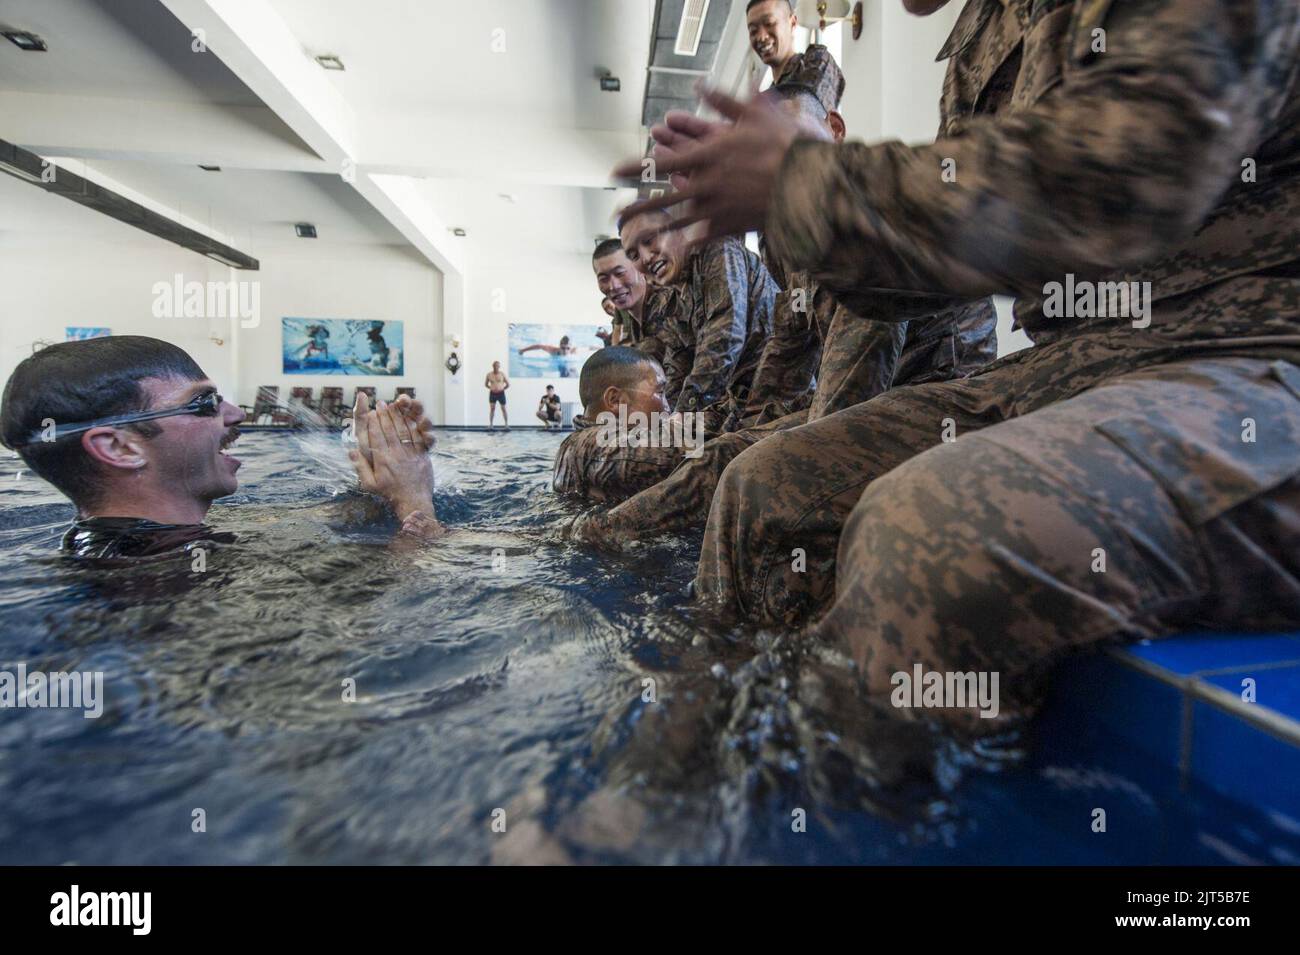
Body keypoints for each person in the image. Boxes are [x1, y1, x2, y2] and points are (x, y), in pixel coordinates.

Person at [615, 0, 1300, 724]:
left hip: (1249, 361)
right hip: (1072, 365)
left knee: (916, 532)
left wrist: (811, 183)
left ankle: (850, 812)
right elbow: (932, 279)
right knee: (762, 489)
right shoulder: (982, 32)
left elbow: (1121, 182)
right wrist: (791, 209)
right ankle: (683, 778)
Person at [0, 336, 433, 559]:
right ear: (119, 447)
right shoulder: (152, 580)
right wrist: (416, 503)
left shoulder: (145, 544)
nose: (235, 414)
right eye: (203, 403)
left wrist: (381, 489)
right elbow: (392, 627)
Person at [619, 208, 776, 436]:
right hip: (740, 408)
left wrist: (684, 412)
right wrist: (663, 416)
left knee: (699, 466)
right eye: (633, 255)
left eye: (649, 240)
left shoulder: (718, 250)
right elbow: (679, 367)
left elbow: (726, 334)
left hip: (778, 403)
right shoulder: (676, 296)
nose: (645, 257)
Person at [552, 347, 703, 504]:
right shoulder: (595, 444)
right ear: (615, 400)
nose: (667, 407)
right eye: (660, 392)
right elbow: (688, 453)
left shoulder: (580, 441)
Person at [592, 239, 670, 363]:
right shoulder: (634, 320)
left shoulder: (668, 307)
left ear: (640, 268)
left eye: (620, 273)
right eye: (603, 278)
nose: (613, 286)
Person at [745, 0, 843, 97]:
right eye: (753, 31)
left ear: (792, 23)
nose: (761, 37)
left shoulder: (819, 61)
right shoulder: (770, 94)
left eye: (769, 23)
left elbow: (805, 106)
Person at [484, 361, 509, 429]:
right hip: (492, 394)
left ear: (499, 367)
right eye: (495, 366)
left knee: (503, 409)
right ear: (493, 366)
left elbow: (508, 384)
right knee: (492, 409)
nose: (496, 367)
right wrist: (491, 388)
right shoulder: (489, 374)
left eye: (497, 366)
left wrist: (502, 389)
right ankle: (491, 424)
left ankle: (506, 425)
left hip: (501, 393)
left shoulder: (502, 374)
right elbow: (486, 384)